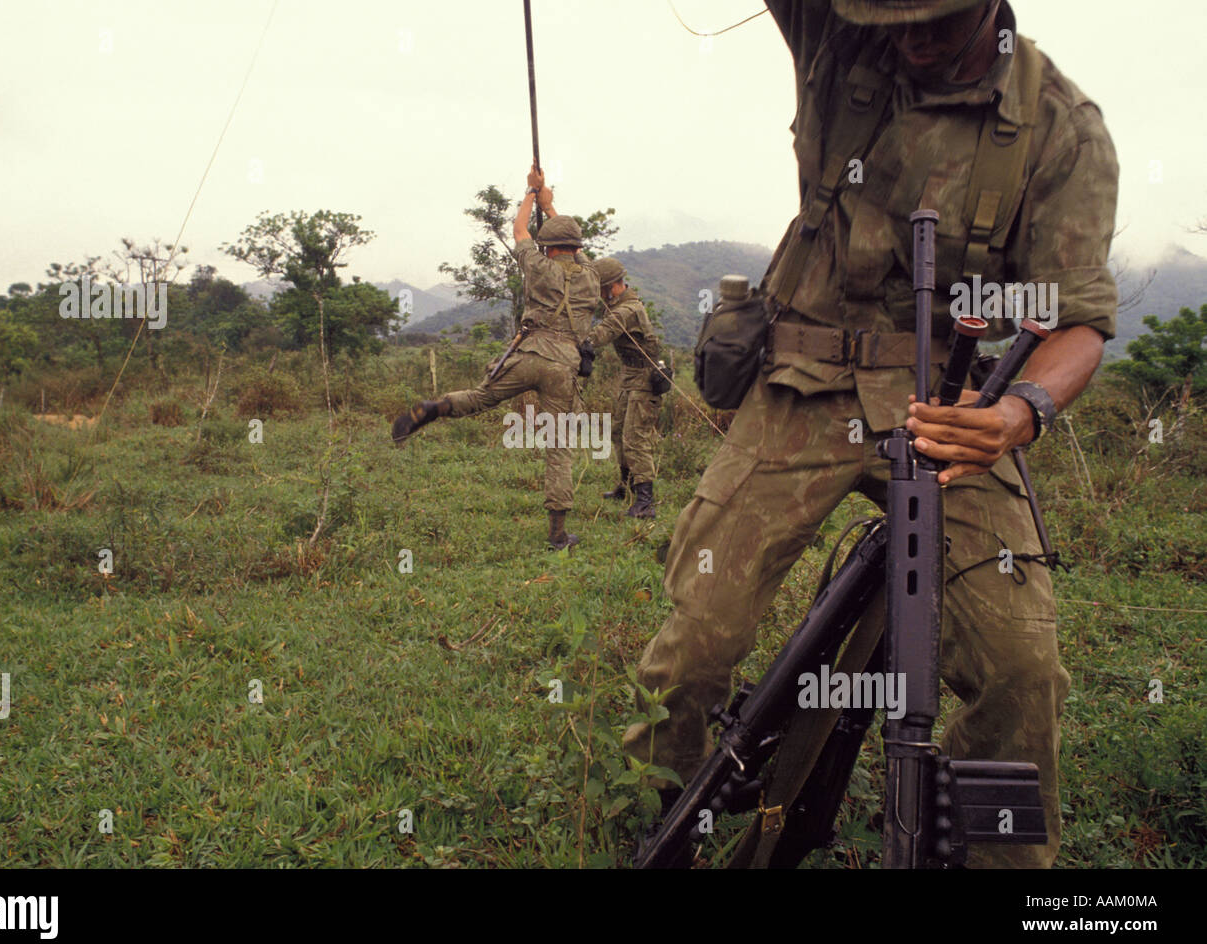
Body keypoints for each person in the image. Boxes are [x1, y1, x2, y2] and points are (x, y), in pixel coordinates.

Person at [625, 0, 1118, 868]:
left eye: (935, 18)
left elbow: (1076, 320)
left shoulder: (1059, 127)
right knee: (699, 635)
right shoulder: (839, 31)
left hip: (947, 404)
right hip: (800, 384)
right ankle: (655, 817)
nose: (911, 34)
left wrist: (1014, 414)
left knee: (1021, 666)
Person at [391, 164, 600, 551]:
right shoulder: (590, 275)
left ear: (547, 247)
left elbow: (519, 232)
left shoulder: (538, 265)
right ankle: (557, 535)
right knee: (558, 445)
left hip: (528, 353)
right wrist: (551, 206)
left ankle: (435, 407)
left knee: (481, 397)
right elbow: (576, 247)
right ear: (575, 246)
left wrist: (530, 194)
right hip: (564, 365)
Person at [586, 257, 664, 519]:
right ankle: (626, 485)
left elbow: (599, 335)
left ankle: (645, 501)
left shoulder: (626, 310)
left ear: (612, 287)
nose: (599, 296)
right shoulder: (620, 302)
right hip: (631, 375)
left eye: (601, 290)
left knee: (635, 437)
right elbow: (589, 266)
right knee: (619, 431)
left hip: (645, 378)